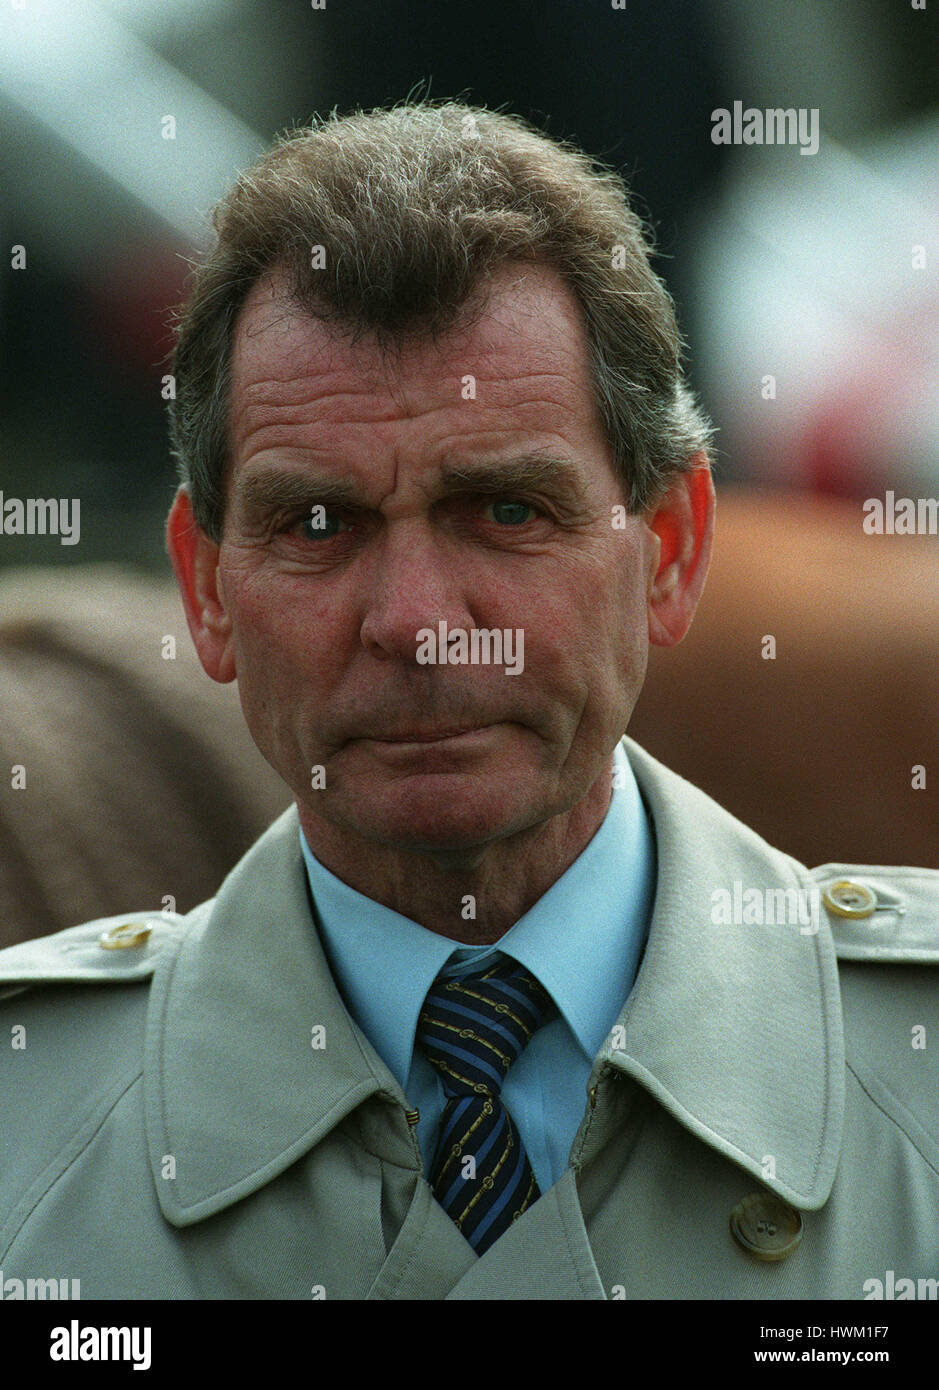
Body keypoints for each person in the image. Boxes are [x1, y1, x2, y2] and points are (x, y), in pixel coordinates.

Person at [1, 102, 936, 1301]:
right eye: (319, 524)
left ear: (670, 547)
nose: (415, 621)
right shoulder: (28, 1137)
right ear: (205, 588)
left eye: (505, 511)